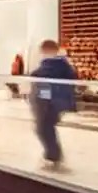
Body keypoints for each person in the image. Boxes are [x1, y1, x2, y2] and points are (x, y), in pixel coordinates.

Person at [30, 39, 77, 169]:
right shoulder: (60, 64)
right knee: (45, 128)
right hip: (50, 100)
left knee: (43, 128)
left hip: (51, 101)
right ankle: (52, 155)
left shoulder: (56, 63)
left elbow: (42, 75)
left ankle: (53, 156)